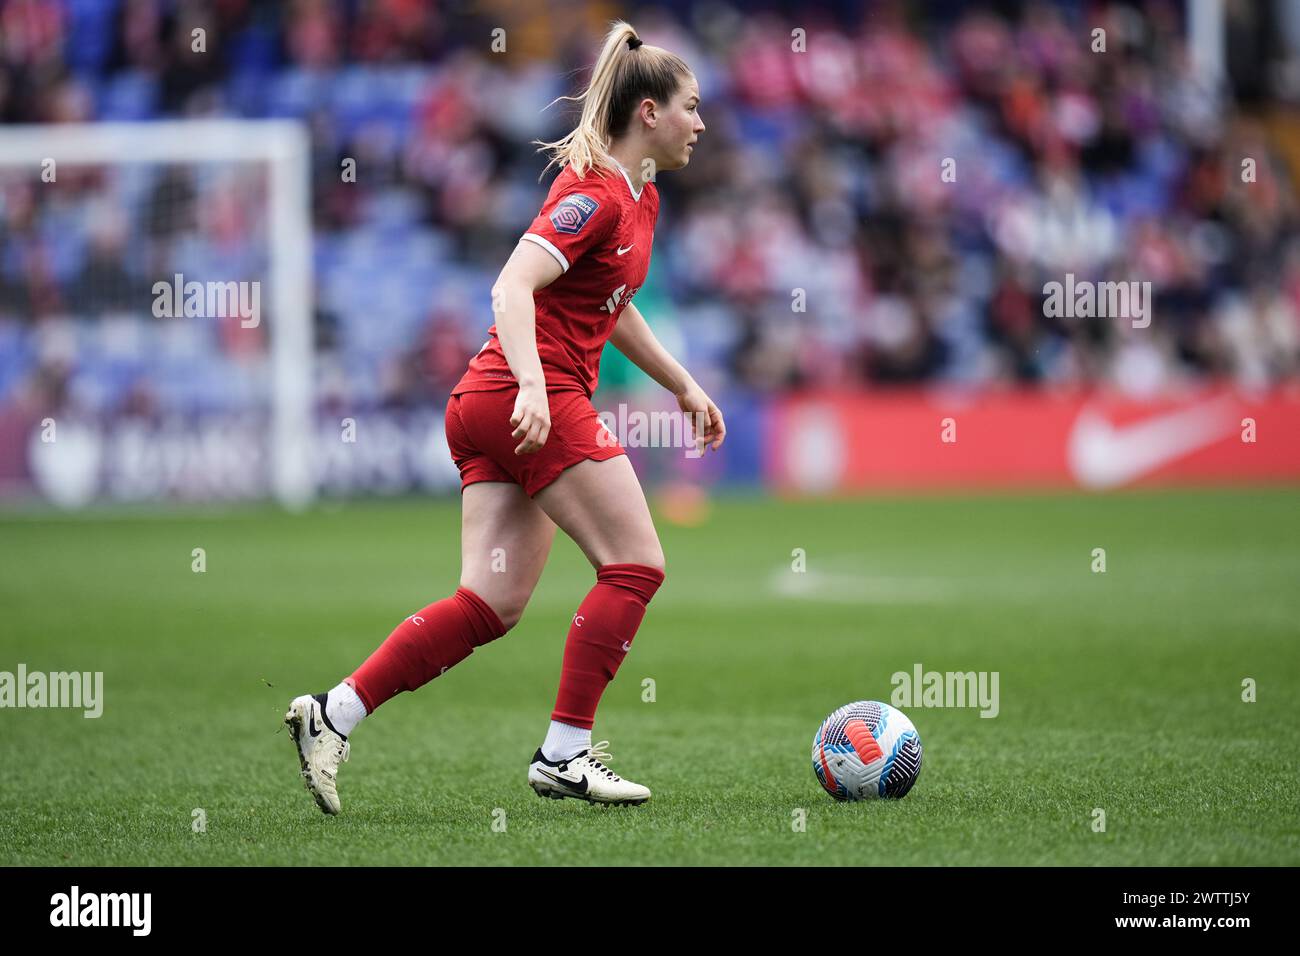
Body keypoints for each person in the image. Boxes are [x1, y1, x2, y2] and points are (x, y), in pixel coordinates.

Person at [284, 21, 724, 811]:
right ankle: (565, 753)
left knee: (489, 604)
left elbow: (611, 306)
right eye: (692, 107)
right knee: (636, 563)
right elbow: (510, 287)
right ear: (649, 112)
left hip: (488, 404)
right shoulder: (594, 196)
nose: (702, 123)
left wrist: (681, 385)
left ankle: (333, 714)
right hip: (531, 397)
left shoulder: (640, 197)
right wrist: (530, 387)